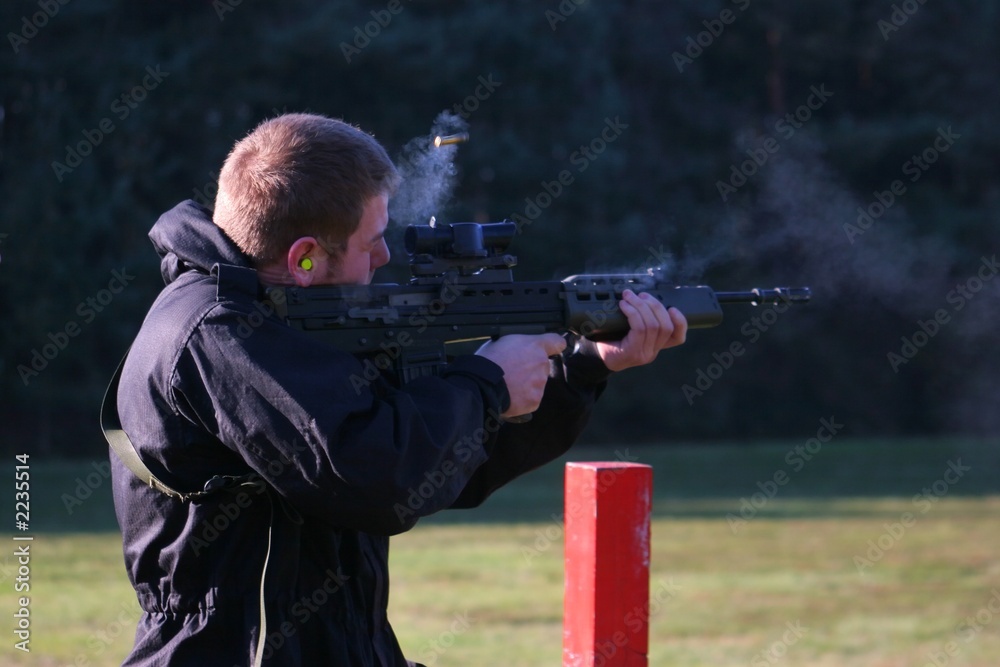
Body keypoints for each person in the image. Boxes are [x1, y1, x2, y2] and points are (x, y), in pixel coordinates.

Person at [108, 112, 687, 666]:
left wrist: (582, 368)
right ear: (304, 258)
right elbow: (380, 474)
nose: (387, 256)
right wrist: (486, 385)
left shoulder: (281, 327)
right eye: (371, 241)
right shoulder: (220, 334)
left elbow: (442, 468)